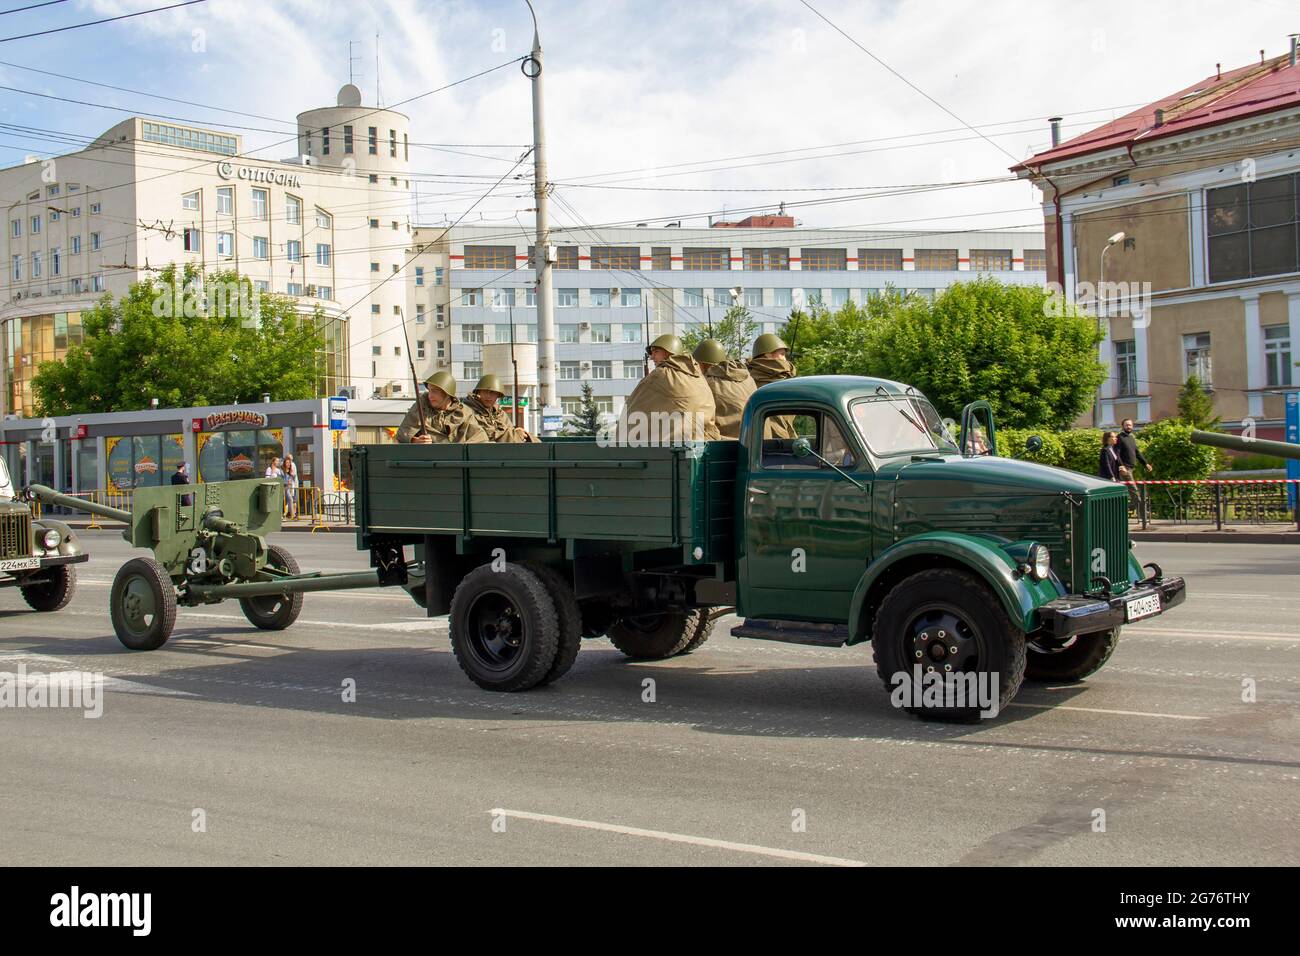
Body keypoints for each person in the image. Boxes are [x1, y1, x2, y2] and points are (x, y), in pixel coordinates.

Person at [621, 333, 720, 443]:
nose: (651, 356)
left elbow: (632, 408)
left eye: (656, 351)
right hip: (705, 442)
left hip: (673, 448)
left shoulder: (661, 374)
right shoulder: (698, 375)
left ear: (669, 352)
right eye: (651, 352)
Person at [396, 370, 490, 444]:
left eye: (435, 391)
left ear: (447, 394)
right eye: (429, 390)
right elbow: (402, 434)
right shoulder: (421, 408)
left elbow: (480, 438)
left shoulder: (464, 413)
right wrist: (415, 441)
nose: (430, 396)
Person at [694, 338, 754, 440]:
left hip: (722, 446)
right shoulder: (748, 378)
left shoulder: (707, 383)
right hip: (751, 441)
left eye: (697, 364)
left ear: (702, 364)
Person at [747, 332, 797, 439]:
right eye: (782, 354)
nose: (785, 359)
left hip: (767, 442)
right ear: (768, 354)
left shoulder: (747, 378)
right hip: (768, 442)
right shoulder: (749, 380)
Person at [463, 374, 537, 443]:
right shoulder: (468, 411)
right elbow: (486, 435)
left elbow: (509, 430)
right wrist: (515, 435)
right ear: (479, 392)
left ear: (498, 395)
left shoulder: (500, 414)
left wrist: (518, 433)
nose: (488, 396)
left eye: (492, 393)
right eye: (485, 392)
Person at [282, 454, 299, 519]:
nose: (289, 463)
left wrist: (291, 474)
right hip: (286, 487)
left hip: (292, 486)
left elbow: (293, 475)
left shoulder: (292, 466)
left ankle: (291, 513)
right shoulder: (283, 470)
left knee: (291, 500)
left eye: (290, 461)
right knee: (290, 500)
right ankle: (290, 514)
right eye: (288, 461)